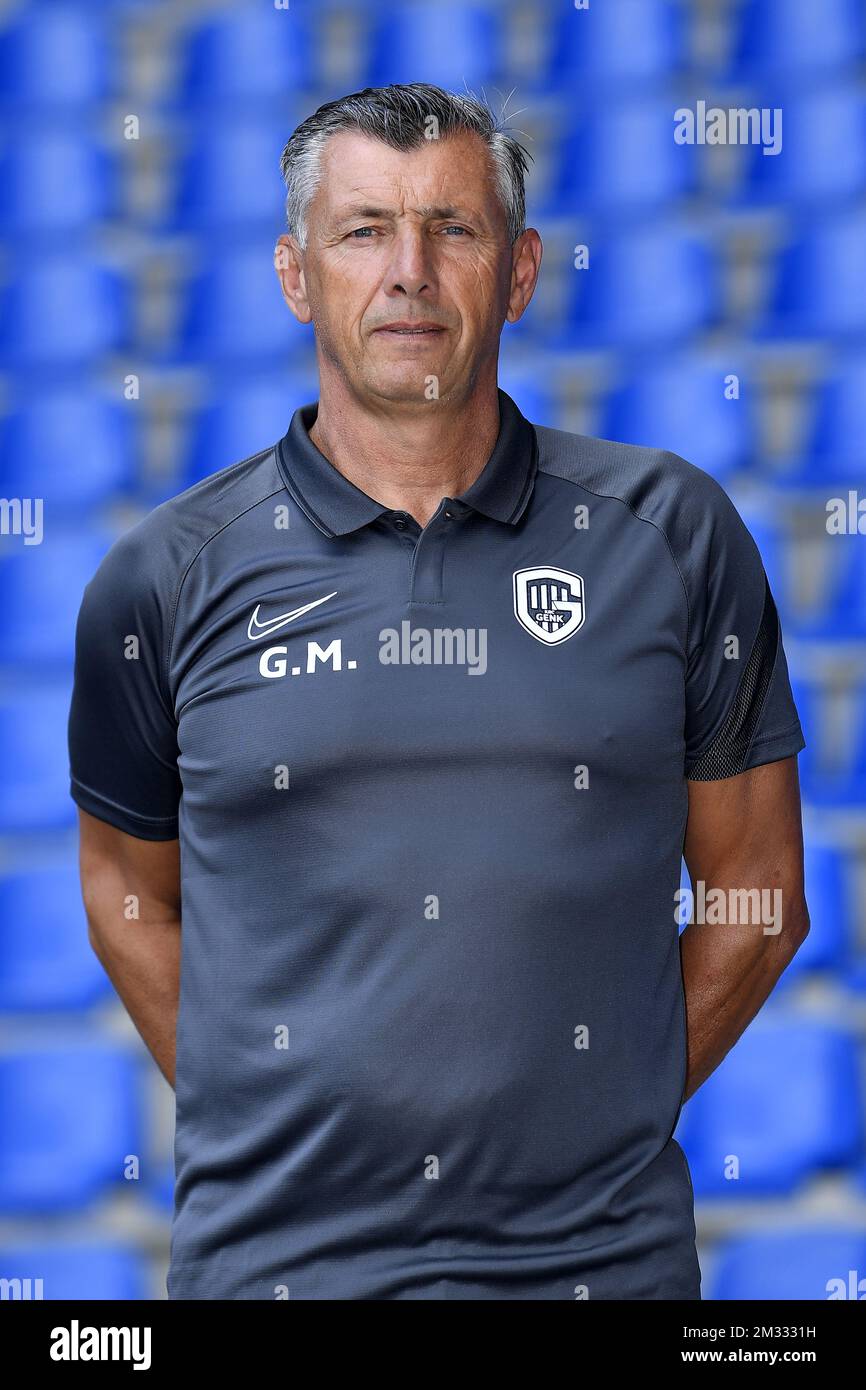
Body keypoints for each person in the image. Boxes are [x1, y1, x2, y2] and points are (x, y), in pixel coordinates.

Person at [68, 83, 808, 1300]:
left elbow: (758, 889)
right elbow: (123, 886)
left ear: (516, 274)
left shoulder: (670, 534)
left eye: (450, 229)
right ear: (295, 275)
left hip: (597, 1271)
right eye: (362, 230)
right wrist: (273, 1105)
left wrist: (589, 1110)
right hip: (272, 1270)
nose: (407, 271)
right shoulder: (163, 575)